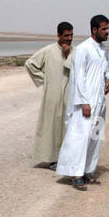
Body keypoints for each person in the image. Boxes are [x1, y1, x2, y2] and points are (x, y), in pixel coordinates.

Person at [55, 15, 109, 190]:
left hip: (100, 102)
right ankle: (75, 174)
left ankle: (88, 171)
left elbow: (107, 71)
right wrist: (84, 102)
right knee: (79, 139)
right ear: (94, 30)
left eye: (108, 28)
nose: (107, 31)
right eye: (104, 29)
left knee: (95, 138)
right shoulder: (83, 49)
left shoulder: (104, 50)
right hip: (86, 104)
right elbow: (78, 77)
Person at [25, 22, 73, 169]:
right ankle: (52, 158)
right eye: (66, 36)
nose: (69, 39)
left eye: (71, 35)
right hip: (52, 96)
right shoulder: (49, 51)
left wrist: (67, 55)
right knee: (52, 128)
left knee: (67, 127)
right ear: (58, 35)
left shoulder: (75, 52)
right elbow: (30, 64)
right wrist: (45, 79)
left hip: (69, 96)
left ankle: (66, 158)